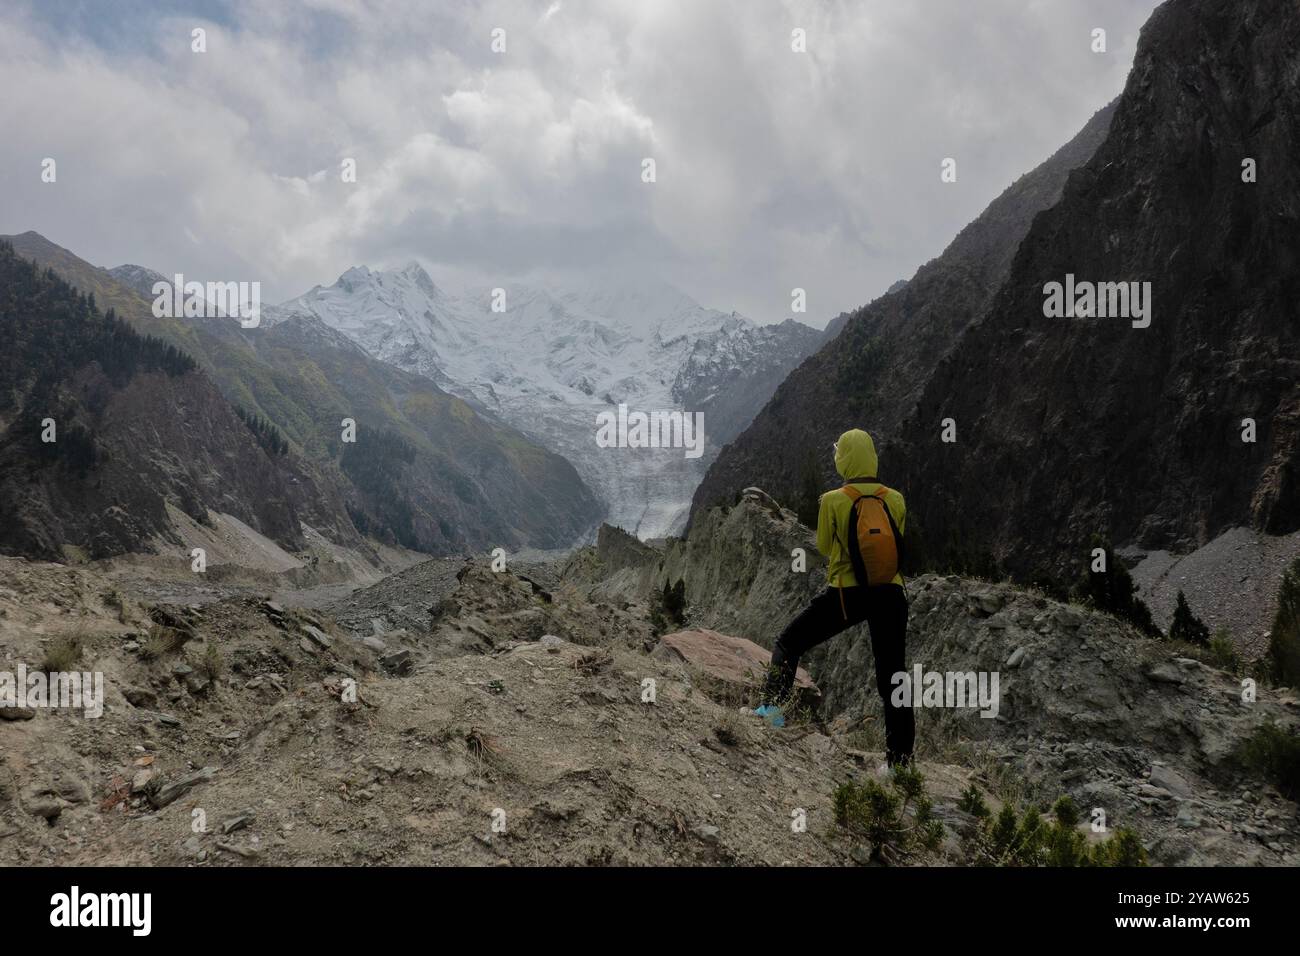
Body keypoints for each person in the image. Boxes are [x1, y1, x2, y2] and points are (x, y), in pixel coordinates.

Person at [753, 428, 915, 768]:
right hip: (892, 593)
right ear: (872, 456)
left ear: (843, 458)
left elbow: (826, 547)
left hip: (847, 594)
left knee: (790, 641)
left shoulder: (833, 499)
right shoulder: (895, 498)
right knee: (894, 677)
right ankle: (900, 763)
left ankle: (770, 713)